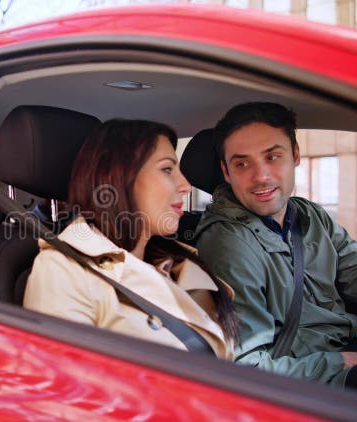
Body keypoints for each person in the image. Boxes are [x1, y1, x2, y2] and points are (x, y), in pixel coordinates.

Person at [194, 102, 357, 396]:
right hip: (312, 383)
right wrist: (338, 361)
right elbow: (248, 366)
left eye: (273, 156)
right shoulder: (228, 242)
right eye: (242, 164)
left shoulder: (308, 217)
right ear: (226, 171)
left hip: (348, 354)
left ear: (296, 155)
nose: (261, 176)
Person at [24, 119, 239, 359]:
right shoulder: (63, 271)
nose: (185, 185)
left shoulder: (179, 260)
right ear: (119, 177)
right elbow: (67, 385)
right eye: (167, 169)